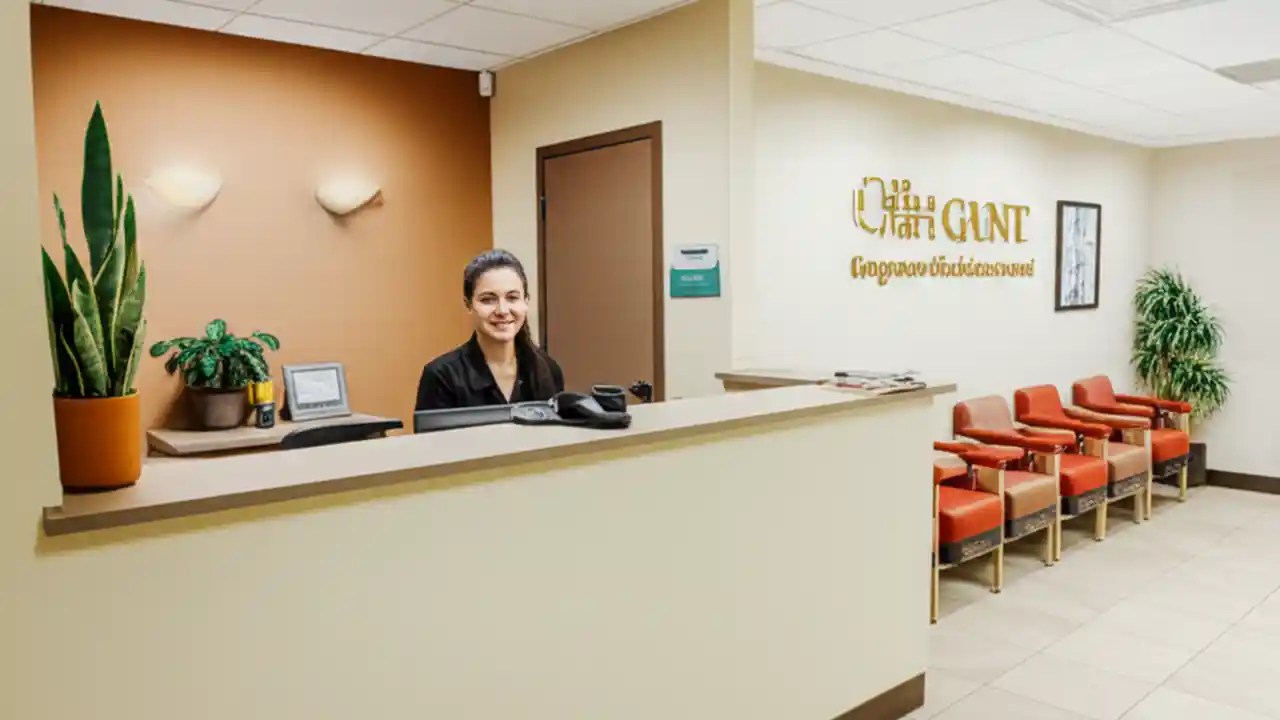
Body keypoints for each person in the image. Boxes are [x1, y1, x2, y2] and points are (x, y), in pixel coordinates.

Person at [415, 249, 564, 411]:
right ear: (468, 305)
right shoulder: (442, 376)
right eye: (488, 300)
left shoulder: (547, 370)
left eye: (512, 298)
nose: (502, 310)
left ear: (526, 301)